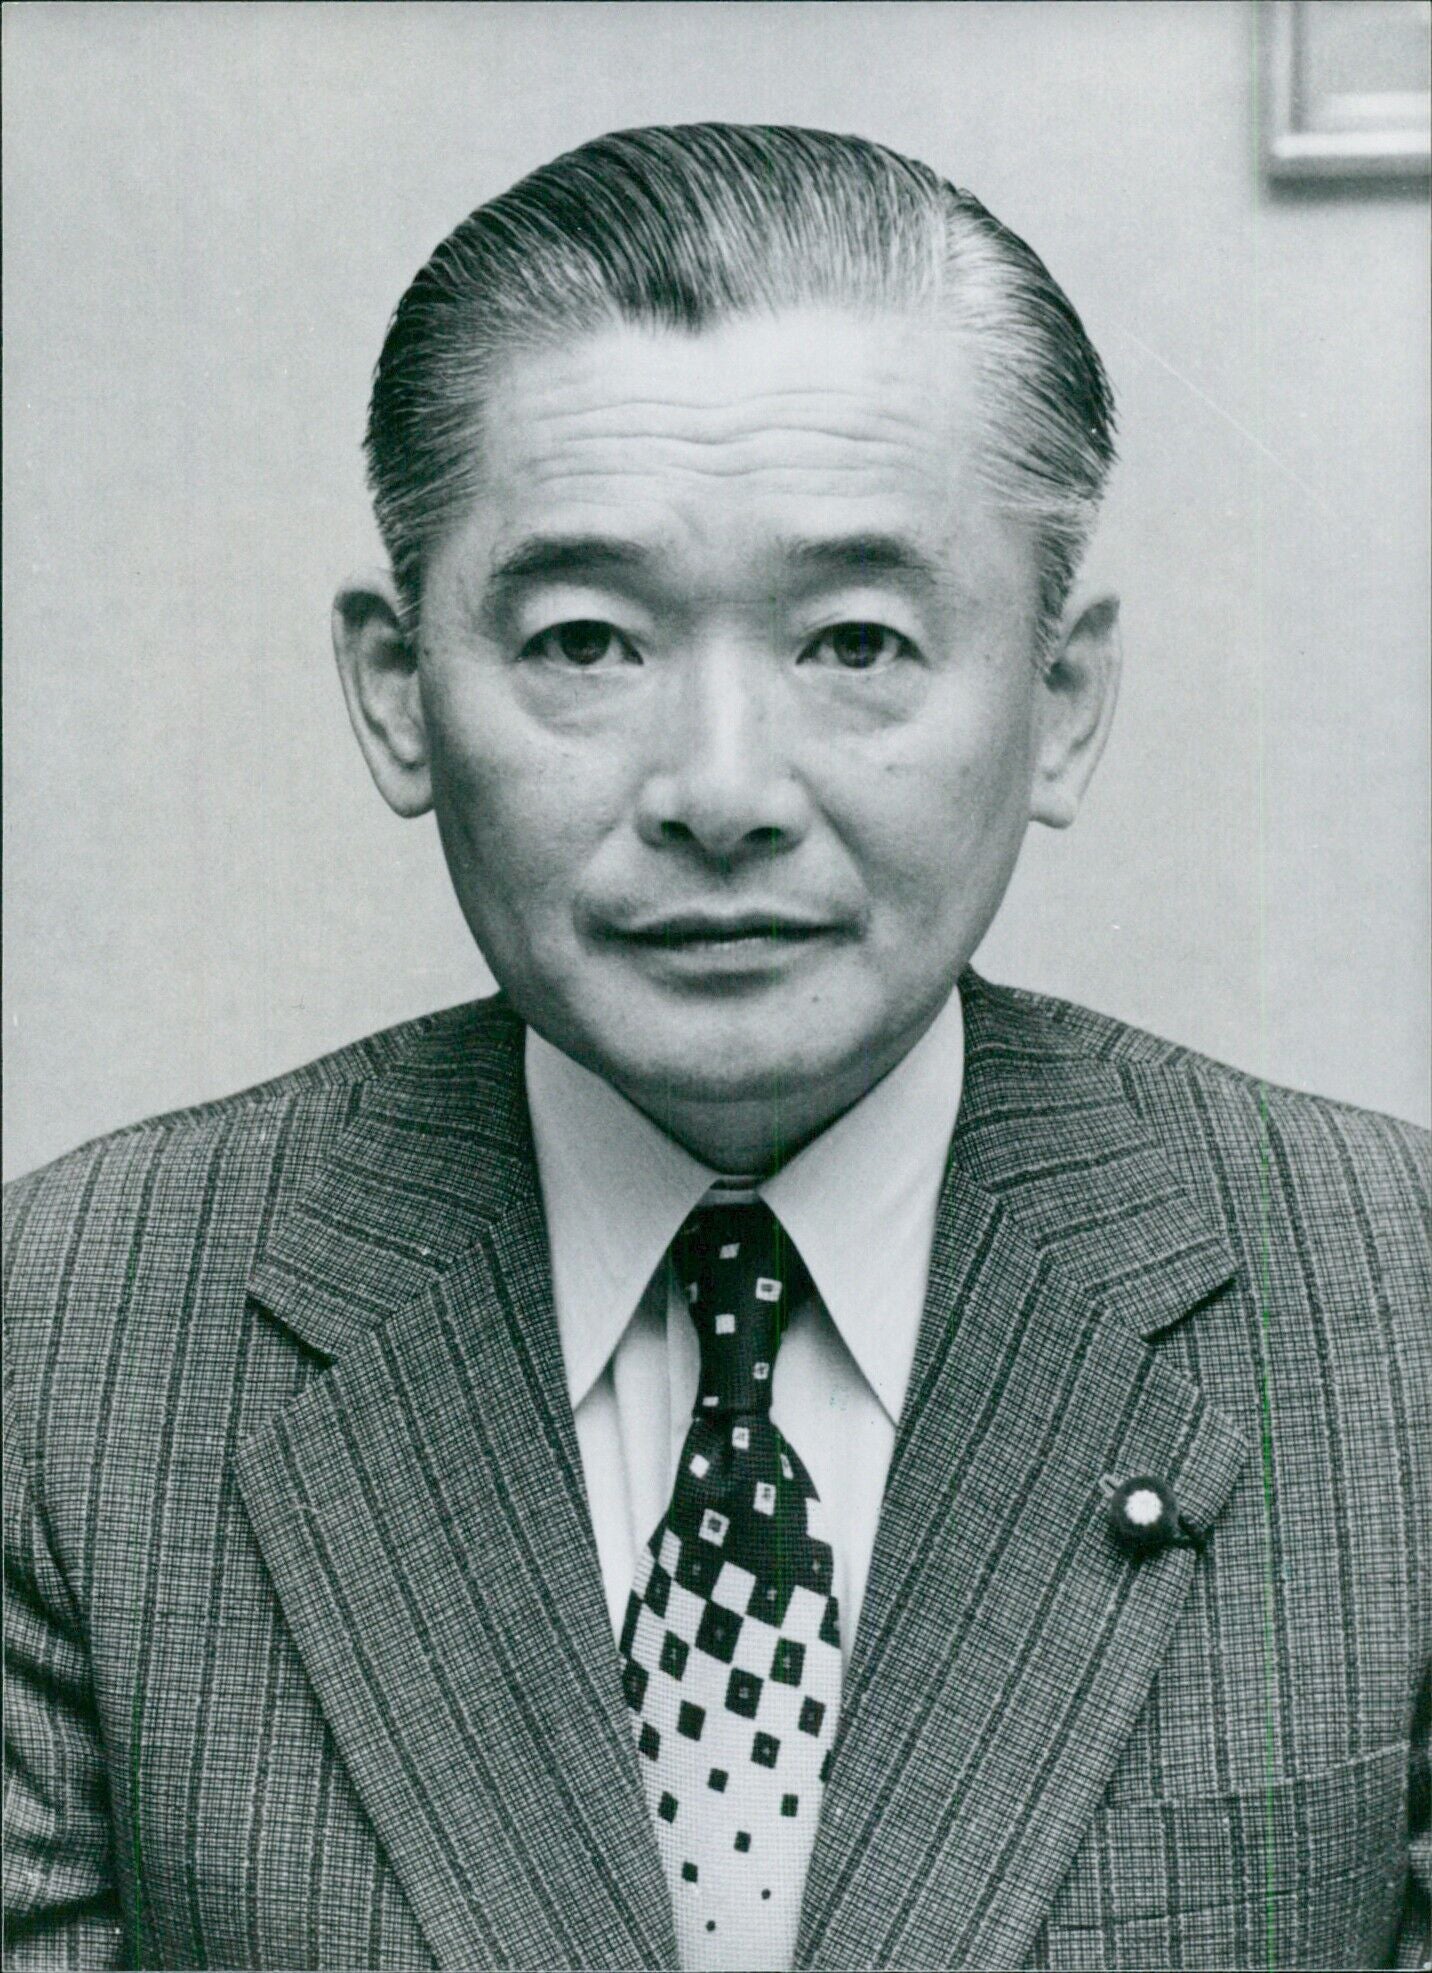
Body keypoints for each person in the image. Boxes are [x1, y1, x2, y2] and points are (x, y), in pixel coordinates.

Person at [4, 123, 1427, 1973]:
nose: (724, 789)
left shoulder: (1393, 1304)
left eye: (858, 641)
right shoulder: (72, 1330)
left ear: (1061, 701)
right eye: (589, 641)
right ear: (397, 691)